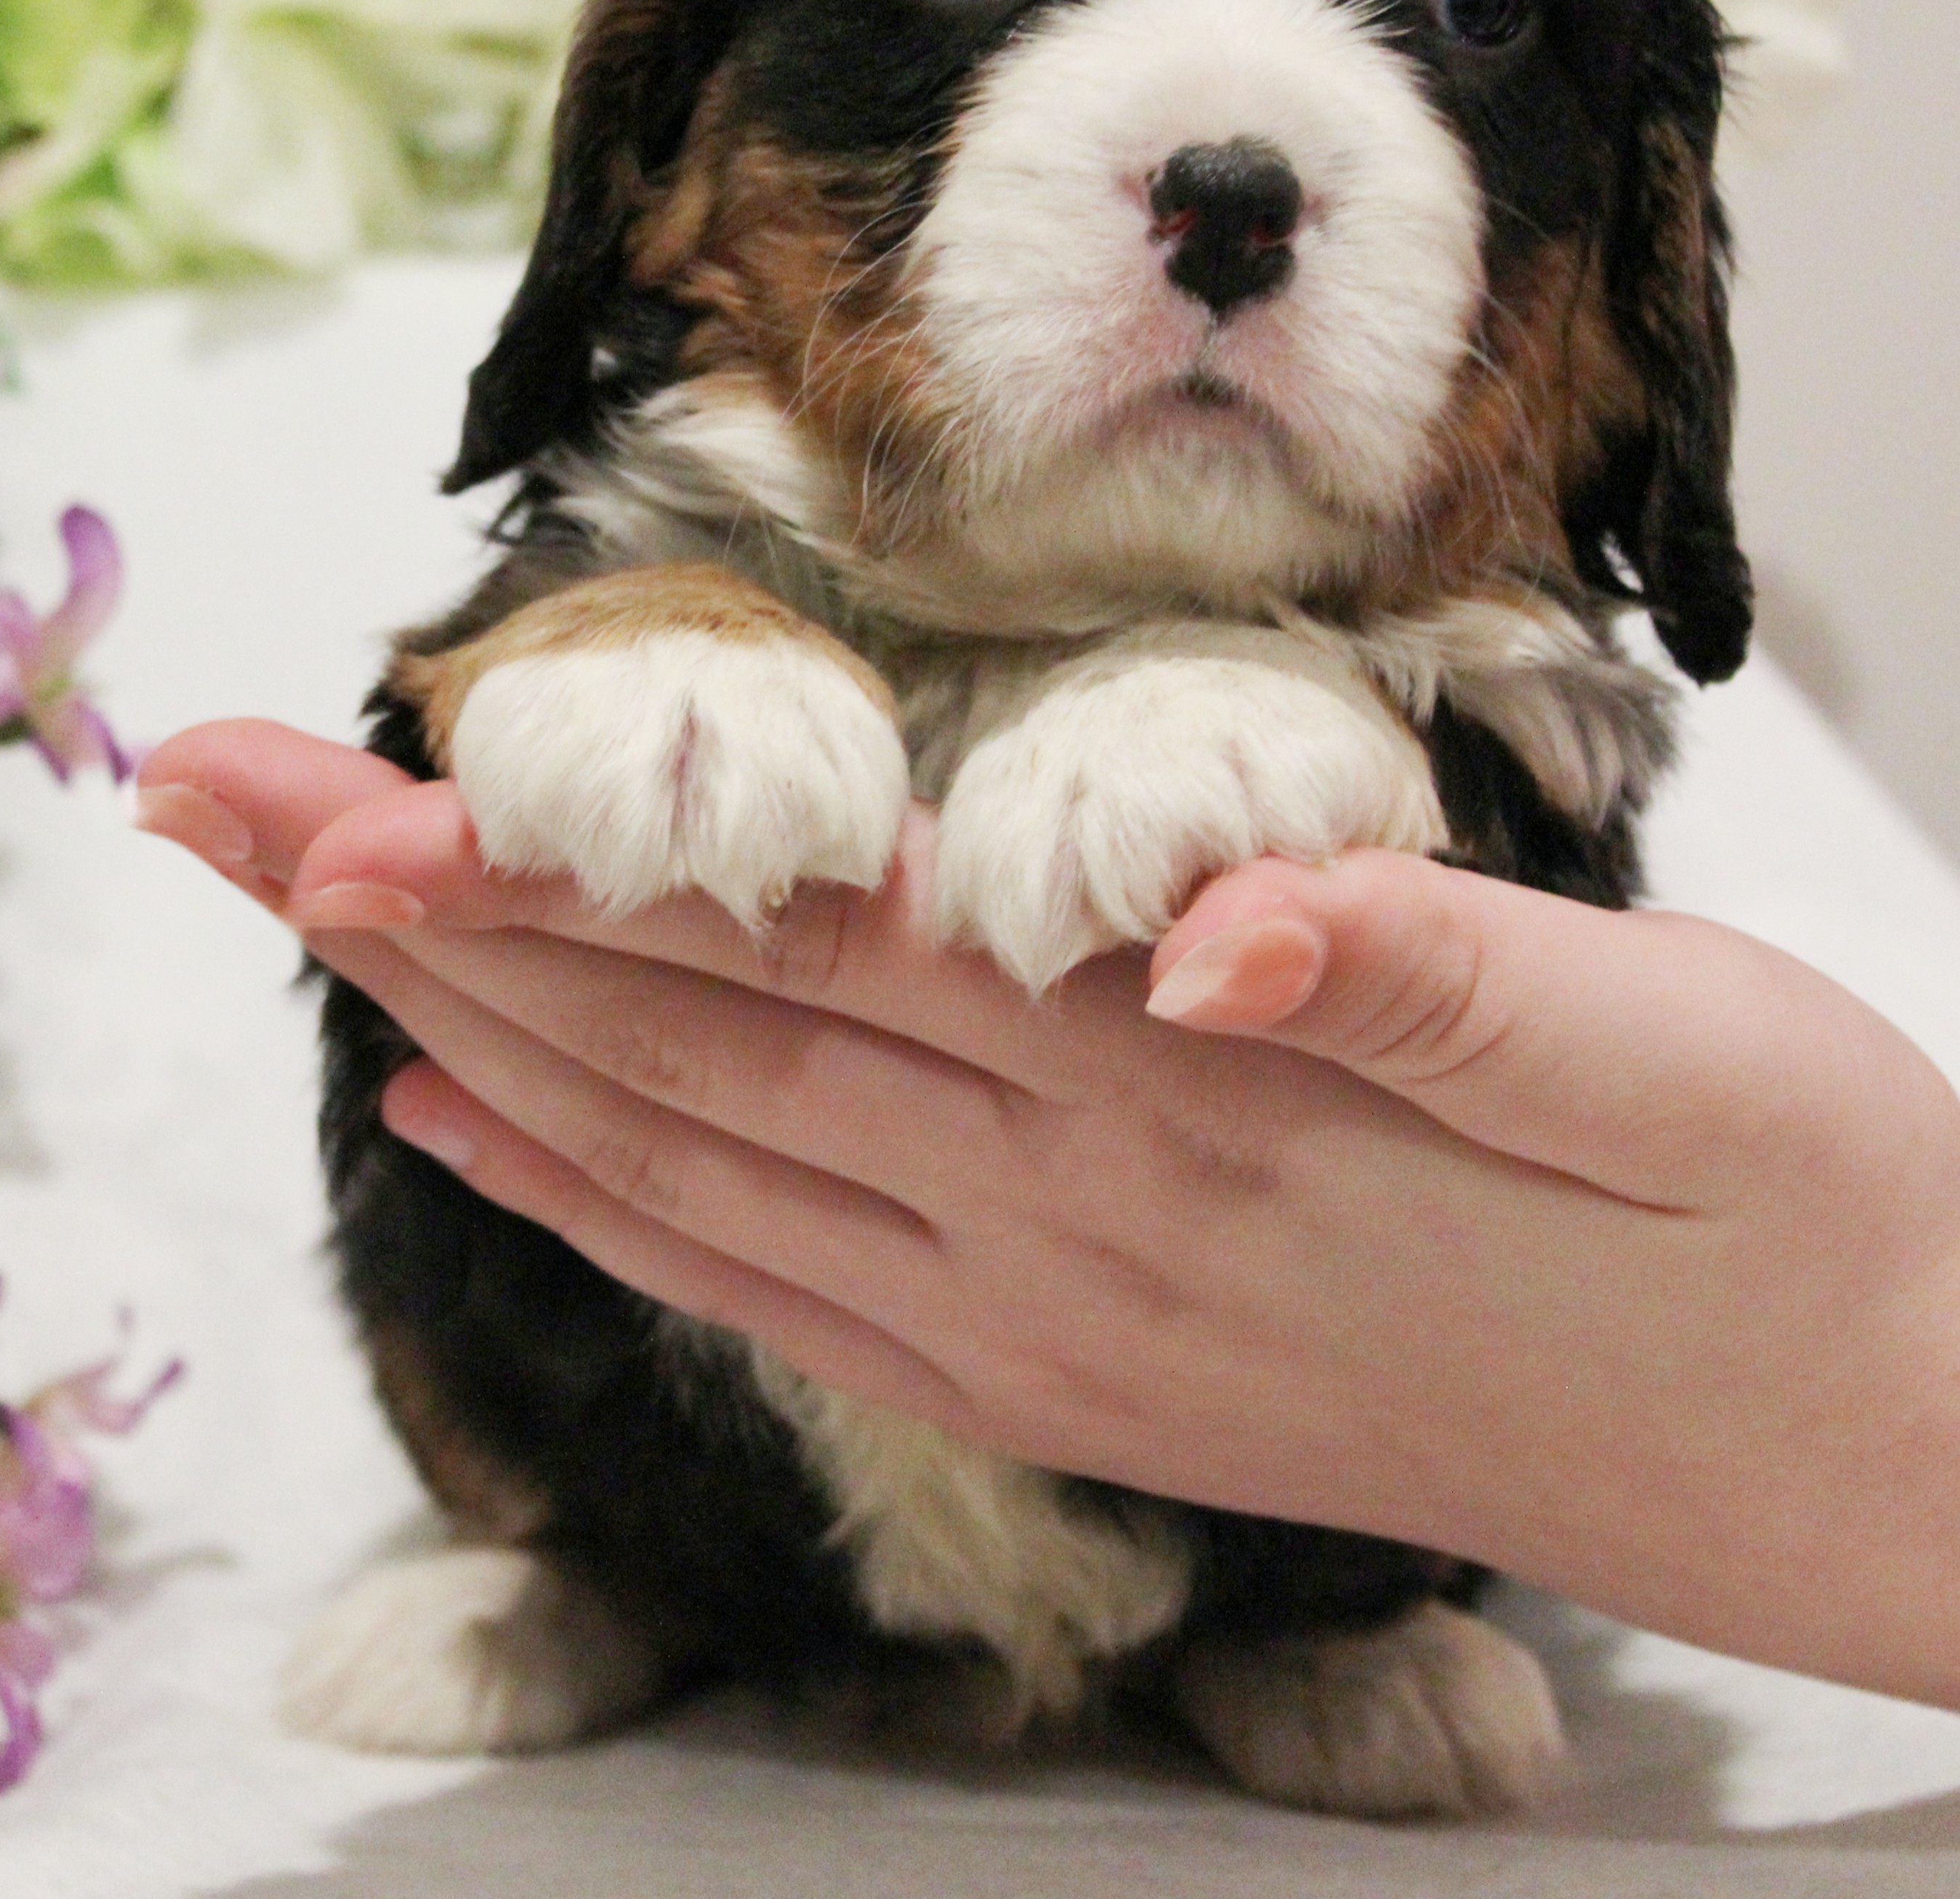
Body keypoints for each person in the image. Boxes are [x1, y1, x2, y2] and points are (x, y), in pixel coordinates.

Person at [135, 717, 1960, 1714]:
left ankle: (1287, 1617)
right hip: (671, 1476)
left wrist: (1877, 1413)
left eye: (1467, 2)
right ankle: (614, 1564)